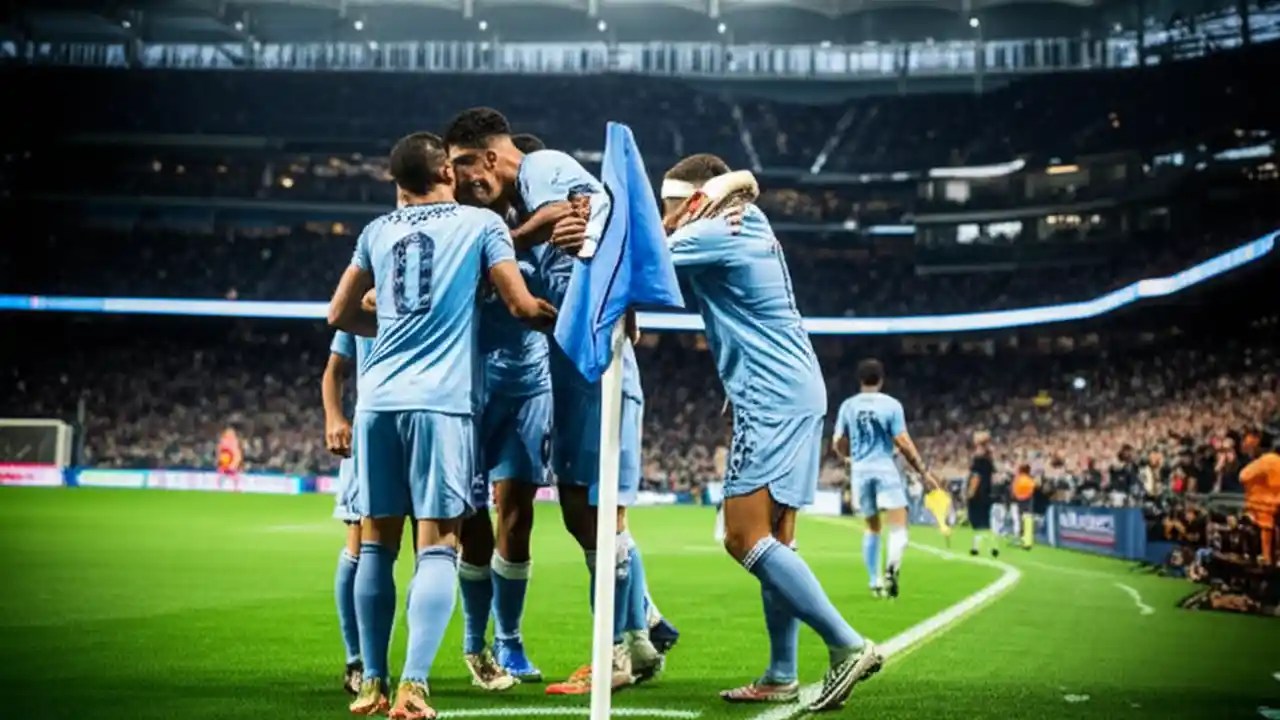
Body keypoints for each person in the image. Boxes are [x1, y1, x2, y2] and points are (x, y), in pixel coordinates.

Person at [443, 107, 673, 695]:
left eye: (466, 164)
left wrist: (501, 243)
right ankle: (639, 639)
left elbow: (562, 212)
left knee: (589, 510)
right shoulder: (525, 213)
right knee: (589, 508)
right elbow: (564, 235)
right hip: (578, 364)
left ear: (491, 156)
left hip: (596, 362)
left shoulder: (542, 167)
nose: (464, 179)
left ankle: (617, 650)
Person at [326, 130, 555, 719]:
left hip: (377, 402)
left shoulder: (375, 232)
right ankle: (413, 687)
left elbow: (338, 313)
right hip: (440, 404)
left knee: (375, 546)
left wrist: (397, 329)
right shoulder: (481, 226)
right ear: (447, 175)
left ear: (397, 184)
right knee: (437, 546)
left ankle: (371, 683)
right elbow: (520, 306)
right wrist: (573, 321)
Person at [661, 153, 881, 712]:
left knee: (742, 536)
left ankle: (846, 644)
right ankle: (782, 673)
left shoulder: (716, 229)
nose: (668, 218)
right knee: (777, 538)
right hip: (795, 389)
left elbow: (638, 263)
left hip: (772, 398)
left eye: (671, 207)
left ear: (693, 200)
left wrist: (662, 225)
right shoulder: (748, 221)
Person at [833, 358, 941, 600]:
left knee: (872, 527)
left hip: (860, 471)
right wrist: (923, 472)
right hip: (884, 467)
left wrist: (848, 458)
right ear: (881, 379)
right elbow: (903, 442)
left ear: (860, 380)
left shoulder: (848, 406)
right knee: (898, 523)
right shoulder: (891, 405)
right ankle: (892, 566)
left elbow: (837, 442)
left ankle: (874, 581)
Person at [321, 329, 374, 696]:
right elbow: (334, 369)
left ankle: (412, 672)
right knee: (359, 542)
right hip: (371, 427)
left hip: (428, 419)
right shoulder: (362, 291)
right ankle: (357, 661)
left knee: (432, 545)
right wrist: (334, 416)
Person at [968, 432, 997, 557]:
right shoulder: (989, 460)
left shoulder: (978, 460)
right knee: (986, 522)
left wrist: (971, 492)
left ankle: (976, 547)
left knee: (977, 523)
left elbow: (976, 477)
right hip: (987, 493)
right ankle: (993, 546)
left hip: (978, 495)